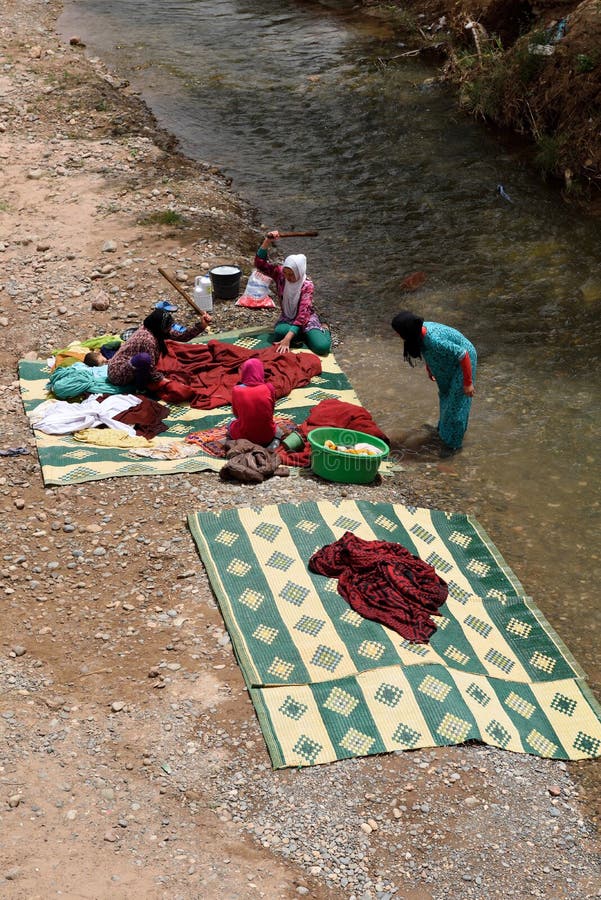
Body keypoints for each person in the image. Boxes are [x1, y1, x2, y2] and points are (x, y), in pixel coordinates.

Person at [391, 311, 476, 457]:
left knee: (457, 405)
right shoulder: (418, 330)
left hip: (464, 362)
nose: (397, 335)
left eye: (398, 332)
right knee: (445, 395)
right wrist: (430, 368)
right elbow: (428, 352)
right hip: (448, 360)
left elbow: (463, 354)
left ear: (407, 332)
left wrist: (468, 383)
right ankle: (443, 432)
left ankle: (453, 446)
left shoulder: (434, 340)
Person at [254, 230, 331, 356]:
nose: (288, 277)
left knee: (322, 347)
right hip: (288, 318)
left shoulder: (307, 286)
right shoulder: (281, 275)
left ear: (299, 272)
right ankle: (300, 335)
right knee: (279, 333)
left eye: (292, 274)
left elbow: (302, 316)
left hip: (306, 320)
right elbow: (260, 264)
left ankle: (324, 329)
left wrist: (287, 339)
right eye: (286, 273)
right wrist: (267, 241)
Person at [107, 308, 210, 391]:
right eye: (169, 327)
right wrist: (166, 382)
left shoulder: (155, 328)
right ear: (161, 327)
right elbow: (151, 370)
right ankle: (140, 388)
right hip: (118, 373)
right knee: (144, 359)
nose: (170, 329)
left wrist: (202, 325)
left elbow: (182, 336)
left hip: (131, 367)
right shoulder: (147, 339)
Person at [228, 358, 281, 448]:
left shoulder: (236, 390)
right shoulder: (269, 388)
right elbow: (271, 412)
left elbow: (237, 415)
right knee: (277, 429)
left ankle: (242, 444)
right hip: (267, 436)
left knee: (230, 424)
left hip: (244, 437)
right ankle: (273, 444)